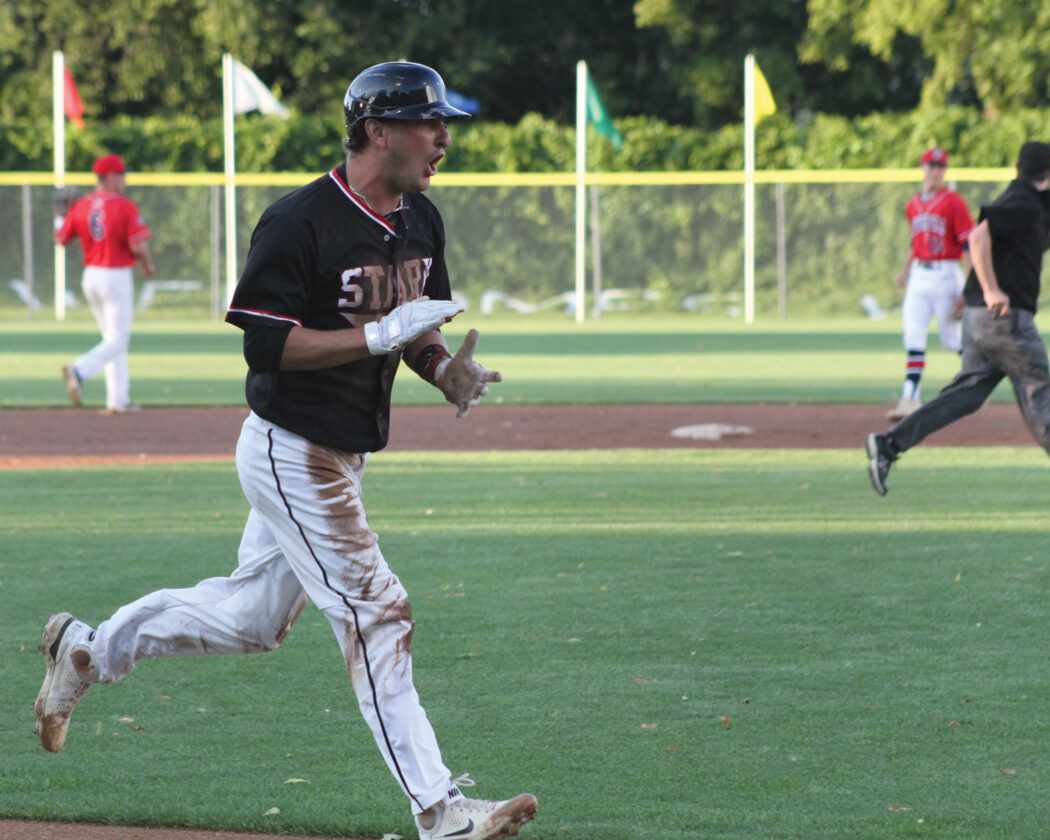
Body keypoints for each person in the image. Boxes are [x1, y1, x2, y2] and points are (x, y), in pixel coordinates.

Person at [33, 62, 537, 840]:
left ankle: (88, 652)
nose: (443, 138)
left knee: (254, 620)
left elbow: (416, 325)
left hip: (345, 453)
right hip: (291, 449)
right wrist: (373, 337)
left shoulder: (420, 220)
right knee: (378, 612)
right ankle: (439, 811)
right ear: (377, 130)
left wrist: (444, 370)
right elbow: (266, 346)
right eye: (428, 122)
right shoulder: (299, 221)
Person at [868, 140, 1050, 496]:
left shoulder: (1027, 201)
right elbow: (979, 237)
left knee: (965, 395)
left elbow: (1031, 236)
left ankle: (889, 445)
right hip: (1004, 318)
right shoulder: (1024, 203)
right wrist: (992, 289)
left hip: (979, 320)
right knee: (1041, 390)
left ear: (1017, 169)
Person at [55, 154, 156, 414]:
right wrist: (147, 263)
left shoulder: (81, 205)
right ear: (109, 176)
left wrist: (60, 216)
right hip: (115, 276)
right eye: (121, 174)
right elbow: (137, 245)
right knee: (118, 339)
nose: (124, 179)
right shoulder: (124, 206)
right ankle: (80, 370)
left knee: (112, 339)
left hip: (91, 277)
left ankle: (118, 400)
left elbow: (62, 239)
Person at [886, 147, 976, 421]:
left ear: (944, 170)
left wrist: (968, 288)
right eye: (931, 166)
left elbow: (967, 245)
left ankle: (980, 377)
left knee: (952, 340)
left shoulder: (954, 202)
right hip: (919, 276)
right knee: (913, 336)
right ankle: (909, 399)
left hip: (946, 274)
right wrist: (904, 272)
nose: (935, 171)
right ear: (922, 168)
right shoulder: (912, 204)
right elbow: (916, 243)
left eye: (940, 167)